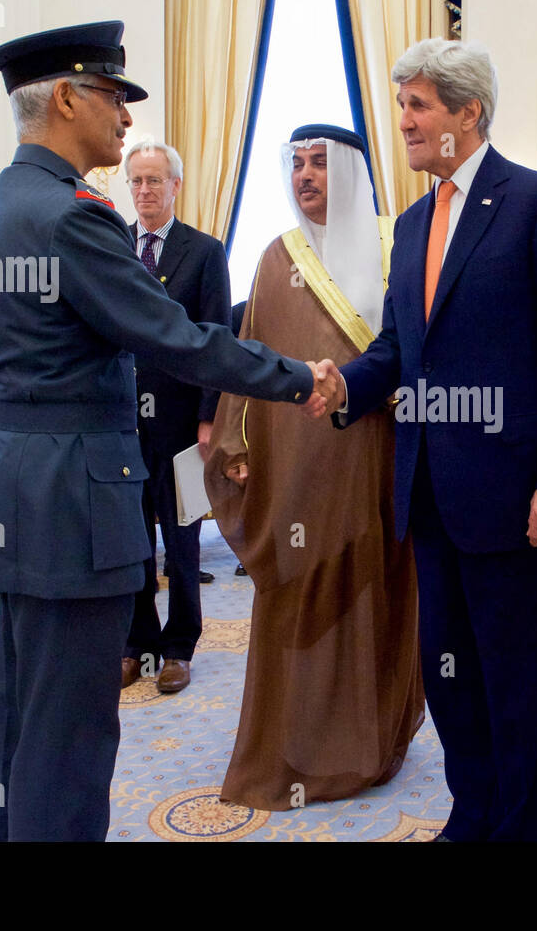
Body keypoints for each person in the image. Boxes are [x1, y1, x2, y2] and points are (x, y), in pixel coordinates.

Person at [0, 20, 324, 842]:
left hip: (17, 489)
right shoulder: (69, 218)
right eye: (113, 97)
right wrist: (300, 377)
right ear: (64, 97)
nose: (126, 120)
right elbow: (177, 336)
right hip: (76, 501)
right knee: (74, 731)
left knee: (26, 712)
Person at [314, 40, 537, 841]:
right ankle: (471, 814)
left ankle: (519, 829)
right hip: (430, 493)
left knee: (516, 682)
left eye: (417, 106)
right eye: (401, 104)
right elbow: (400, 350)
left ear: (467, 112)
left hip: (516, 497)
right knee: (450, 676)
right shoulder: (409, 225)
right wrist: (345, 384)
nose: (402, 121)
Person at [205, 123, 424, 809]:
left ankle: (373, 738)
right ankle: (299, 742)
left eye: (320, 164)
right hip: (302, 465)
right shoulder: (278, 258)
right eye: (297, 164)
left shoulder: (398, 247)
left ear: (351, 173)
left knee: (381, 589)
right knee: (305, 591)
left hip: (384, 455)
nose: (305, 176)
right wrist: (234, 444)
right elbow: (250, 355)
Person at [119, 139, 232, 695]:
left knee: (183, 538)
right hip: (119, 425)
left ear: (175, 186)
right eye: (136, 181)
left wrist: (209, 418)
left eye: (155, 181)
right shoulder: (111, 245)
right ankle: (136, 642)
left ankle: (179, 648)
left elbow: (216, 339)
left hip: (184, 422)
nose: (144, 191)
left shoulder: (205, 252)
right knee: (131, 536)